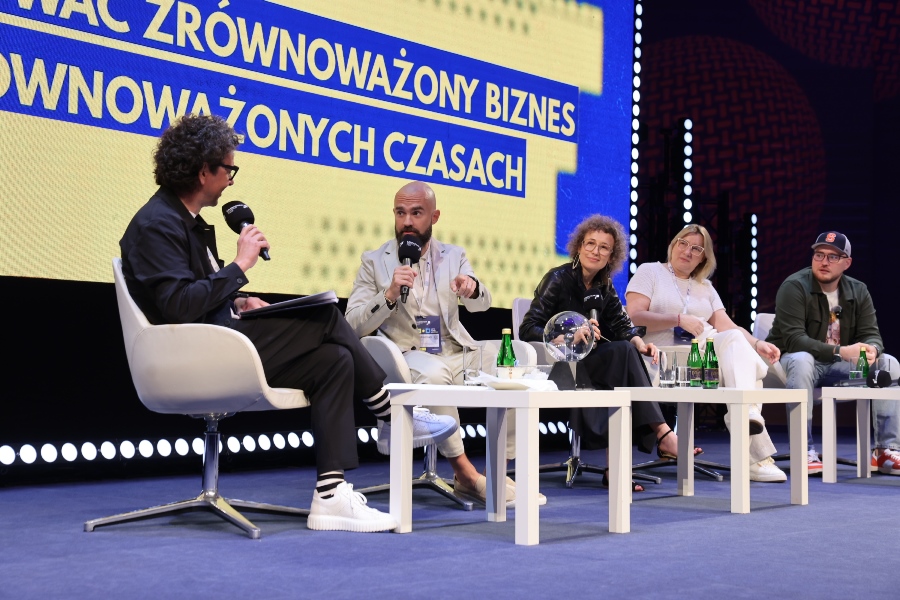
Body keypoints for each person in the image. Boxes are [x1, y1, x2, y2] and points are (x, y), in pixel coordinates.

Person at [119, 114, 457, 533]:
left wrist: (237, 298)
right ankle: (391, 413)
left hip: (217, 340)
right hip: (189, 358)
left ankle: (331, 495)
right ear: (203, 170)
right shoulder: (157, 224)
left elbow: (192, 294)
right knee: (323, 316)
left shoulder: (182, 221)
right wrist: (241, 265)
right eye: (228, 170)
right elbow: (177, 307)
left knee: (334, 359)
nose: (231, 180)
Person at [345, 181, 544, 507]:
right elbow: (352, 324)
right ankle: (464, 474)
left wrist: (472, 287)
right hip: (406, 354)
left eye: (416, 213)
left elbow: (482, 304)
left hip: (455, 350)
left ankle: (499, 472)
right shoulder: (374, 261)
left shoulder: (454, 255)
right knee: (436, 374)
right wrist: (389, 295)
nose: (407, 221)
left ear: (434, 216)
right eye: (400, 213)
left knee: (516, 363)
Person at [519, 214, 698, 490]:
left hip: (596, 364)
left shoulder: (605, 285)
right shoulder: (558, 278)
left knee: (626, 354)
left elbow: (623, 325)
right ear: (579, 247)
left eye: (604, 247)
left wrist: (642, 344)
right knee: (622, 360)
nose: (595, 251)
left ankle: (628, 462)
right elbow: (528, 327)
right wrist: (568, 335)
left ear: (611, 255)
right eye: (590, 244)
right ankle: (658, 438)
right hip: (563, 366)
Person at [625, 224, 787, 482]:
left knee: (736, 342)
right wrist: (678, 320)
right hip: (662, 357)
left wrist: (757, 344)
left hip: (704, 357)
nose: (688, 251)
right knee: (751, 376)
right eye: (683, 243)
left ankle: (745, 416)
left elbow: (729, 328)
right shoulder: (650, 271)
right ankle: (755, 456)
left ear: (704, 257)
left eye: (696, 248)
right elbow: (634, 316)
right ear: (673, 244)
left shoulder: (705, 287)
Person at [766, 231, 900, 475]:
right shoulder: (794, 286)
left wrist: (872, 349)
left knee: (888, 364)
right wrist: (842, 350)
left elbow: (873, 334)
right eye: (819, 255)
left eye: (833, 257)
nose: (824, 262)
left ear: (847, 262)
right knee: (802, 359)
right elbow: (795, 340)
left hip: (837, 367)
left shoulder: (858, 290)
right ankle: (802, 451)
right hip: (793, 364)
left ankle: (885, 451)